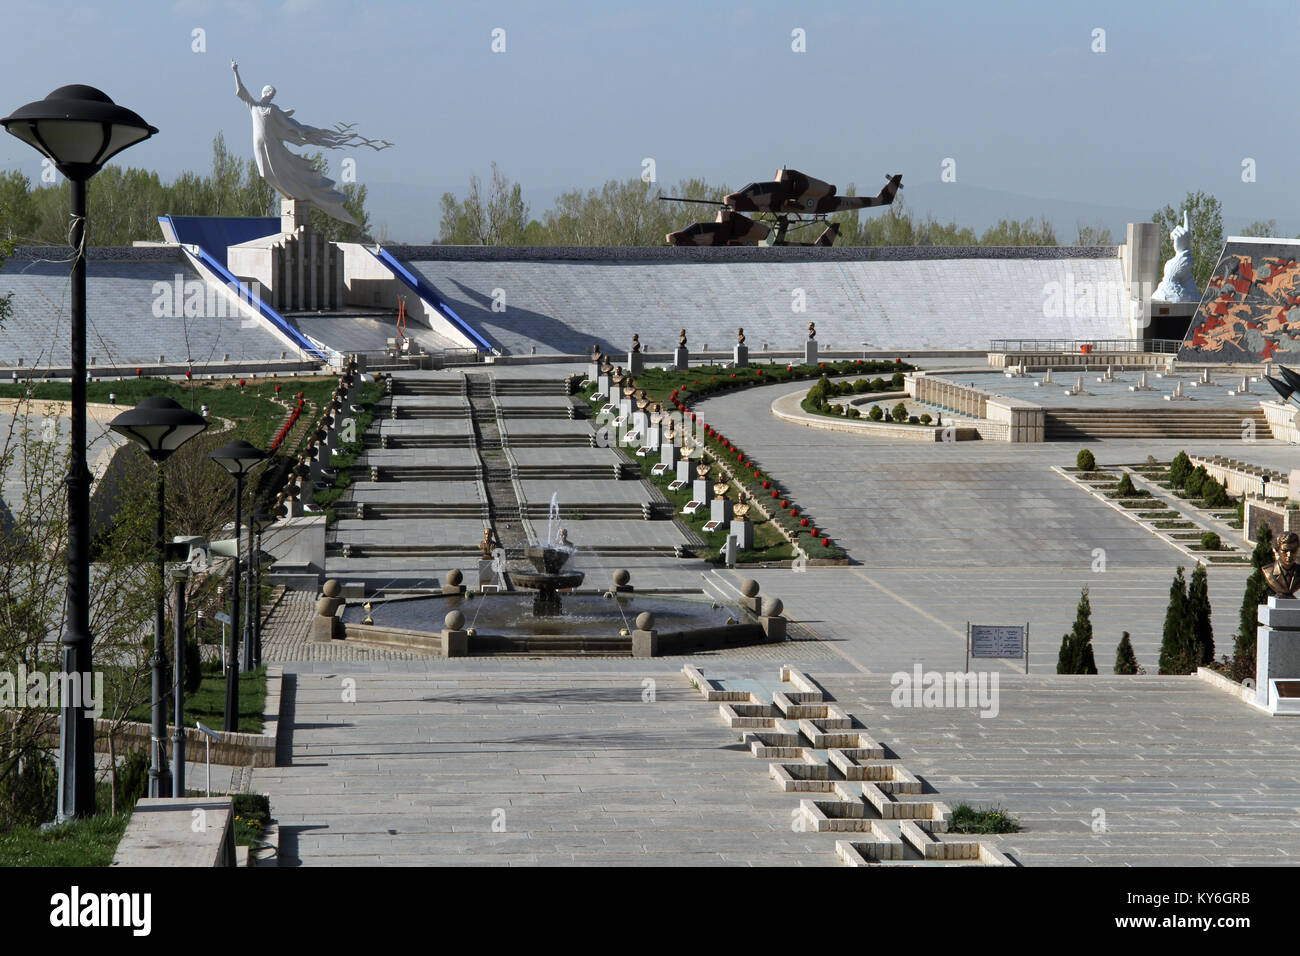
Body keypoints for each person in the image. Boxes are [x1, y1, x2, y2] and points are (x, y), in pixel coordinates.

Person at [231, 60, 390, 226]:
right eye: (269, 94)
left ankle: (296, 192)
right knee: (265, 173)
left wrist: (299, 130)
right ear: (264, 93)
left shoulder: (273, 109)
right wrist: (235, 71)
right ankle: (292, 192)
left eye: (272, 95)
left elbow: (287, 124)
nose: (269, 96)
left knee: (279, 170)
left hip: (272, 145)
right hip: (258, 143)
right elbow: (241, 90)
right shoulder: (254, 106)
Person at [1264, 531, 1300, 597]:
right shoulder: (1268, 571)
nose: (1289, 555)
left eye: (1293, 551)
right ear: (1277, 550)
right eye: (1285, 551)